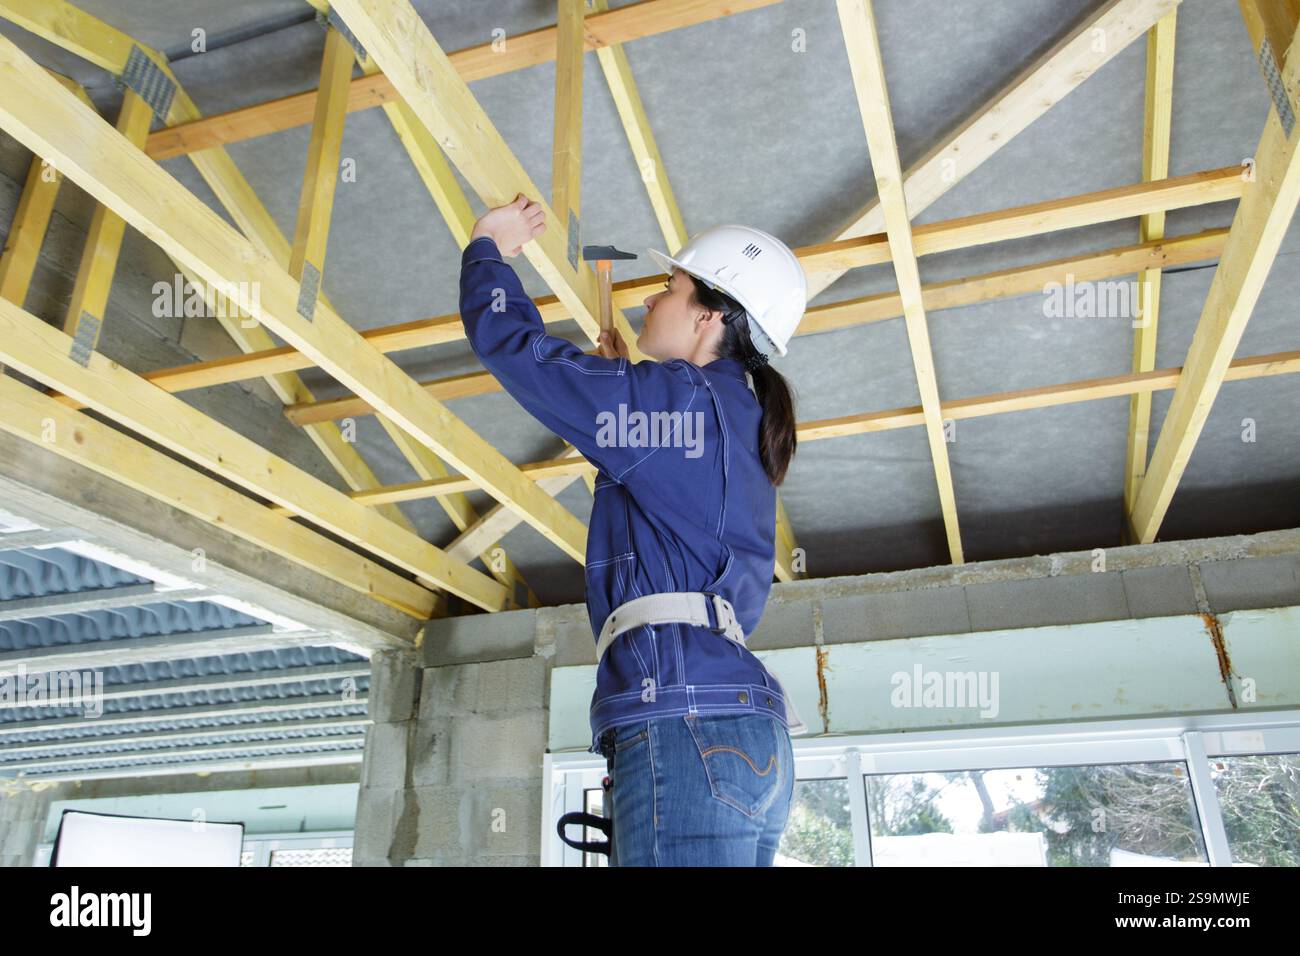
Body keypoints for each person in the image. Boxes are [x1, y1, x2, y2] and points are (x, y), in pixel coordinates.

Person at [460, 193, 808, 866]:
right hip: (729, 733)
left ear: (711, 316)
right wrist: (630, 392)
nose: (652, 300)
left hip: (690, 721)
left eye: (670, 288)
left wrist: (488, 252)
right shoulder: (729, 412)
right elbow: (665, 491)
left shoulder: (679, 408)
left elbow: (520, 354)